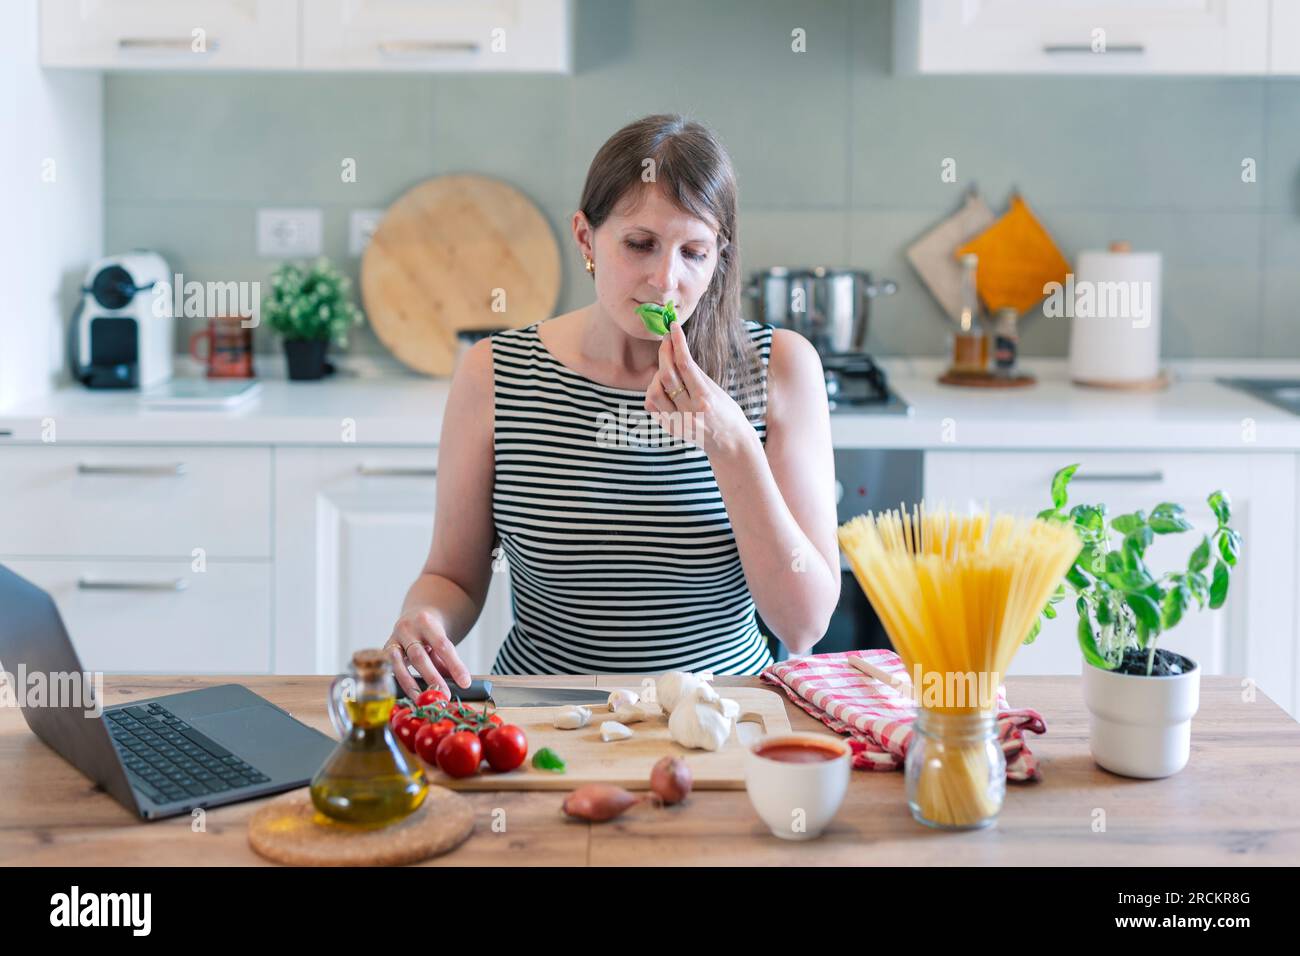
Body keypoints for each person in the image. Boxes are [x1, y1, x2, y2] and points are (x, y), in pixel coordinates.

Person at [385, 113, 839, 699]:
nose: (664, 279)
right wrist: (422, 621)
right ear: (586, 239)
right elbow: (452, 576)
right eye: (640, 244)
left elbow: (803, 625)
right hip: (544, 716)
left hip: (721, 715)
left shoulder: (780, 367)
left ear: (718, 257)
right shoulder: (493, 374)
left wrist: (731, 445)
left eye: (694, 252)